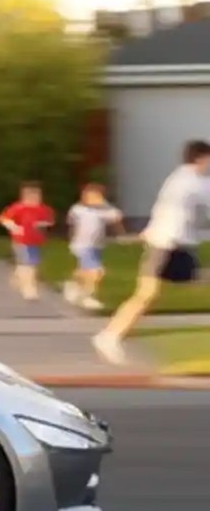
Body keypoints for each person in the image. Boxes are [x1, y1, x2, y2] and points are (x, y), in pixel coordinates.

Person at [94, 140, 210, 364]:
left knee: (156, 291)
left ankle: (110, 336)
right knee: (146, 294)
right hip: (166, 246)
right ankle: (108, 336)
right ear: (200, 158)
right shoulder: (194, 182)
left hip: (169, 244)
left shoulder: (178, 178)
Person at [63, 183, 126, 311]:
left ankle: (73, 286)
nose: (93, 199)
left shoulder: (104, 211)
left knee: (85, 271)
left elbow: (117, 217)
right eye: (90, 196)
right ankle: (88, 296)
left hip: (96, 245)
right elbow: (71, 225)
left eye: (97, 196)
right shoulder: (78, 209)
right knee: (96, 271)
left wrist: (104, 205)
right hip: (82, 246)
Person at [0, 181, 55, 301]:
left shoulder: (43, 209)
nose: (34, 198)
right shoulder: (18, 208)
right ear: (23, 196)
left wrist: (43, 224)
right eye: (30, 195)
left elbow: (49, 221)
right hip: (21, 241)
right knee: (27, 264)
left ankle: (19, 276)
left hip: (35, 241)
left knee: (32, 264)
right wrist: (14, 227)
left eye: (37, 195)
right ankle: (29, 288)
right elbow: (3, 218)